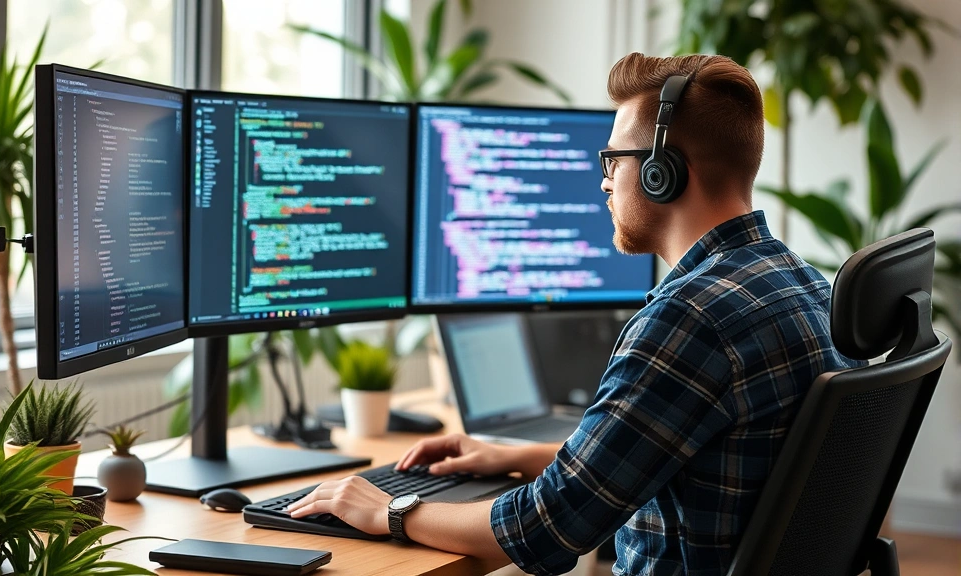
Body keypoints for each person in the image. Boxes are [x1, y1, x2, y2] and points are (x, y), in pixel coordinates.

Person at [287, 53, 862, 575]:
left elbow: (548, 531)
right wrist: (520, 457)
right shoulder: (799, 282)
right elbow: (682, 452)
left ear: (663, 172)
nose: (605, 181)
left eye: (614, 159)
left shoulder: (689, 319)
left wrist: (392, 509)